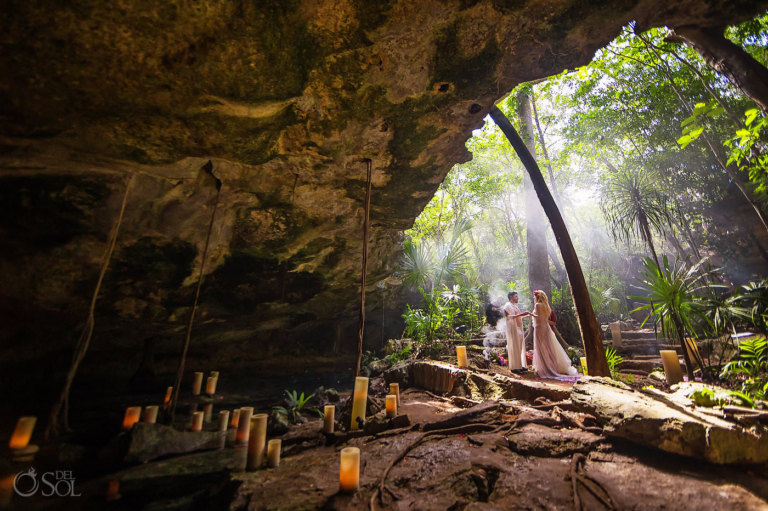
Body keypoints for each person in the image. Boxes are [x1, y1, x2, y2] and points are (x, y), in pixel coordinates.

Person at [511, 290, 579, 381]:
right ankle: (550, 366)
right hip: (545, 327)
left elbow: (538, 317)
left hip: (539, 327)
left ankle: (545, 368)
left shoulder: (538, 305)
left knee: (541, 347)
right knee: (548, 346)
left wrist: (530, 314)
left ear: (537, 297)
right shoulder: (546, 306)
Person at [503, 291, 526, 371]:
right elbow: (508, 317)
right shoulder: (507, 306)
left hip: (519, 329)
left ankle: (519, 365)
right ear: (511, 297)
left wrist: (526, 316)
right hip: (513, 330)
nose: (518, 298)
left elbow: (518, 318)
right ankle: (514, 367)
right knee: (514, 347)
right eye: (516, 296)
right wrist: (520, 315)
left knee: (519, 347)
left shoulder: (515, 307)